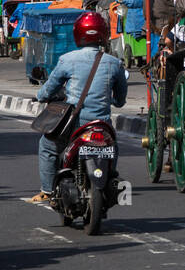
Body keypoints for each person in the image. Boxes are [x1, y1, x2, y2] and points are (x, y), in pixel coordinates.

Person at [31, 11, 127, 204]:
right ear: (104, 34)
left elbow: (49, 88)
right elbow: (120, 99)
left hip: (75, 124)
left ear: (78, 34)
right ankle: (109, 180)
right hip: (102, 125)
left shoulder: (68, 59)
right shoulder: (114, 63)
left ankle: (47, 191)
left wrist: (40, 96)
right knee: (113, 148)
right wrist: (114, 102)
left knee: (47, 146)